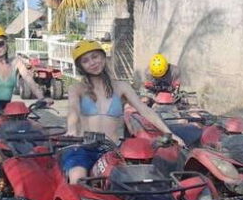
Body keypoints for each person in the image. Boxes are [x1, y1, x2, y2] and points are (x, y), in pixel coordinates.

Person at [65, 41, 185, 184]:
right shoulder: (76, 89)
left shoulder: (121, 86)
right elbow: (73, 111)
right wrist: (71, 130)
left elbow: (145, 110)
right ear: (81, 67)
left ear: (103, 57)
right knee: (77, 181)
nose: (92, 62)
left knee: (136, 185)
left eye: (95, 56)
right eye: (85, 61)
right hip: (84, 149)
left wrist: (170, 134)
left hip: (113, 149)